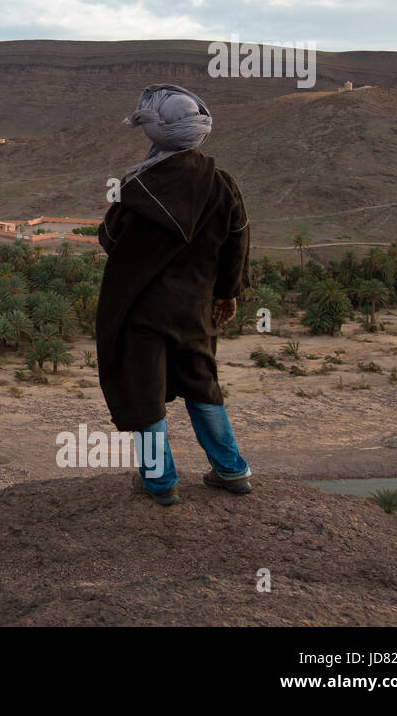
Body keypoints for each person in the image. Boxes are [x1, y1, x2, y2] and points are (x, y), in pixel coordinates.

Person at [96, 83, 252, 506]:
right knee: (203, 386)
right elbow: (237, 239)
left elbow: (110, 238)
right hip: (195, 310)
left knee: (145, 395)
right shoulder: (222, 184)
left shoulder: (138, 188)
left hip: (140, 311)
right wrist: (227, 293)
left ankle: (161, 483)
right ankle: (231, 471)